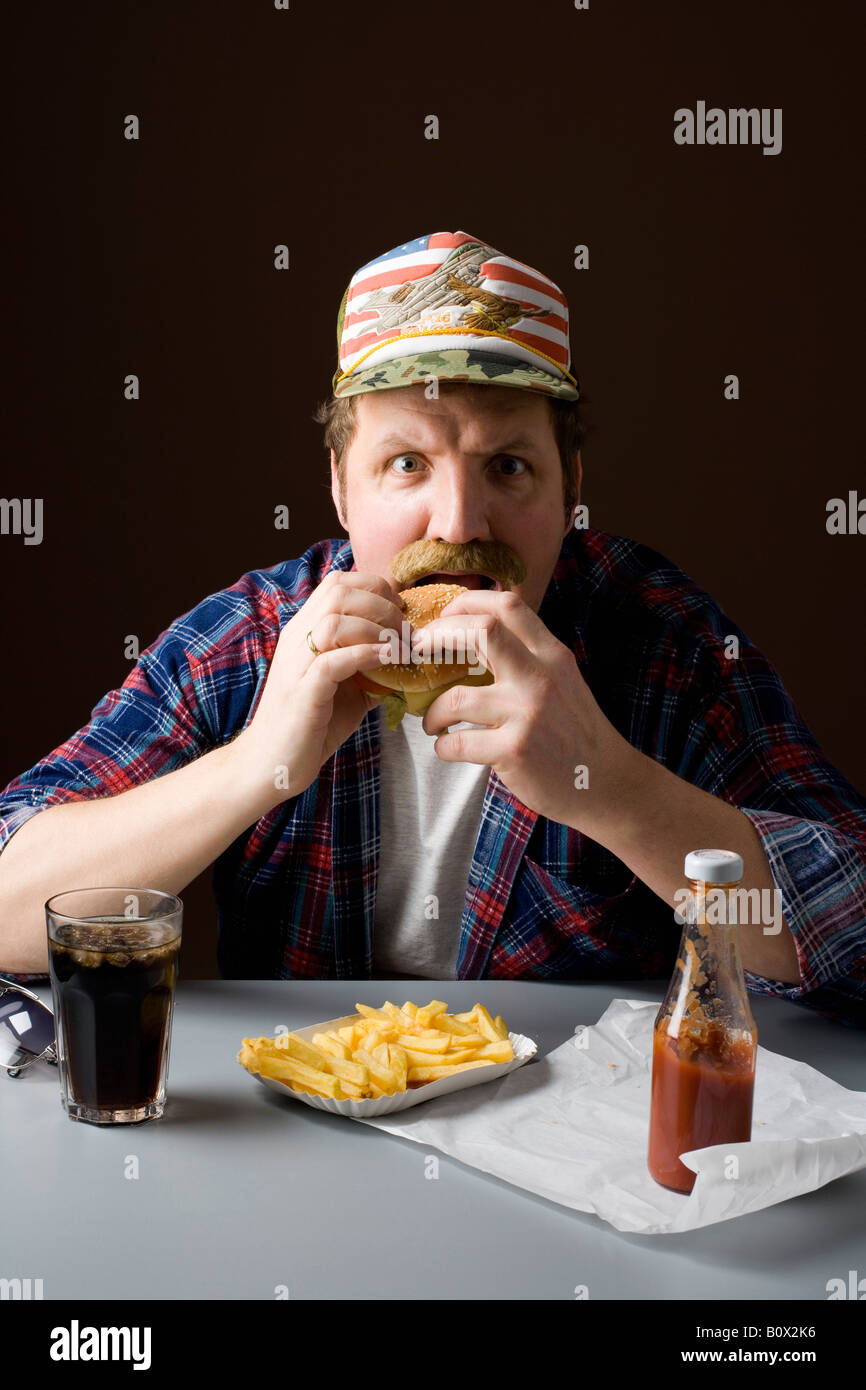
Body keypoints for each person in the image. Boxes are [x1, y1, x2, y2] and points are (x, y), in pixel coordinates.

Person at [1, 229, 865, 1026]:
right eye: (407, 463)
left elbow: (855, 926)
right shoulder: (255, 638)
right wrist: (251, 769)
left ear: (569, 487)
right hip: (304, 1136)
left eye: (508, 467)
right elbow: (9, 908)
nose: (458, 524)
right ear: (342, 486)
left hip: (569, 1150)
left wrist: (612, 786)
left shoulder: (660, 641)